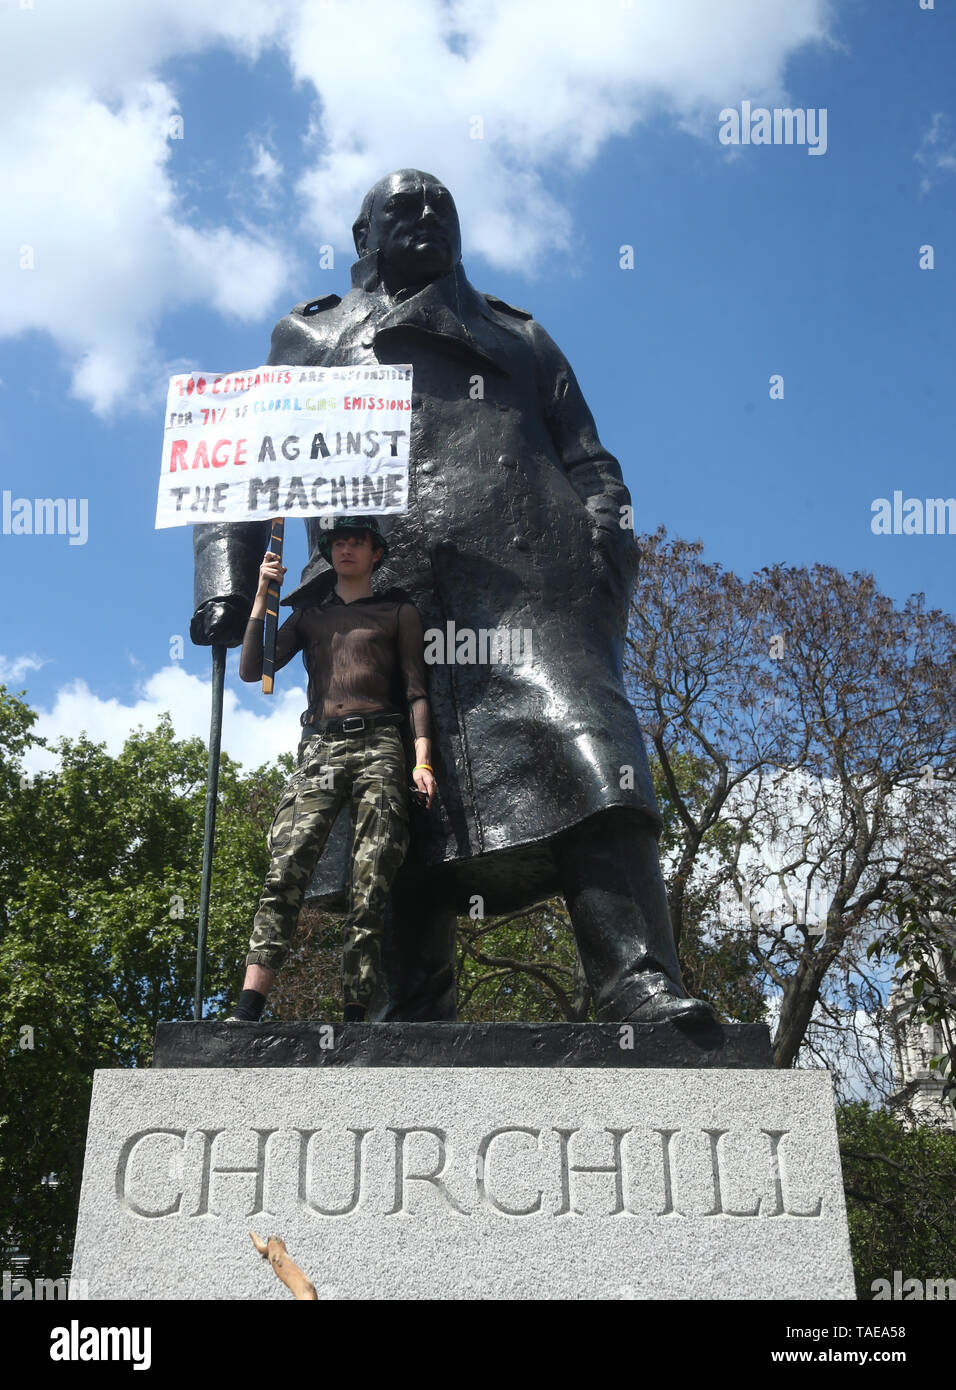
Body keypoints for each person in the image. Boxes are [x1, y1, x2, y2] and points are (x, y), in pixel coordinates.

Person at [193, 168, 715, 1026]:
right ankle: (407, 1018)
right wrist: (225, 583)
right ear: (364, 239)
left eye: (442, 205)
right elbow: (248, 471)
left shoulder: (518, 334)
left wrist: (606, 542)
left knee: (596, 750)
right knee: (394, 810)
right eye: (405, 208)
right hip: (378, 594)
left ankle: (637, 984)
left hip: (528, 595)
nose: (429, 215)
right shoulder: (311, 336)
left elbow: (588, 455)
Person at [225, 515, 436, 1023]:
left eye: (357, 542)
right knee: (285, 867)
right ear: (328, 552)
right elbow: (254, 669)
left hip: (382, 745)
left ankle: (355, 1015)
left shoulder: (397, 611)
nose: (347, 550)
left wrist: (423, 759)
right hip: (319, 747)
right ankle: (249, 1006)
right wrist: (262, 595)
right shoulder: (310, 617)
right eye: (339, 542)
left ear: (375, 553)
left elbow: (415, 690)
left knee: (372, 882)